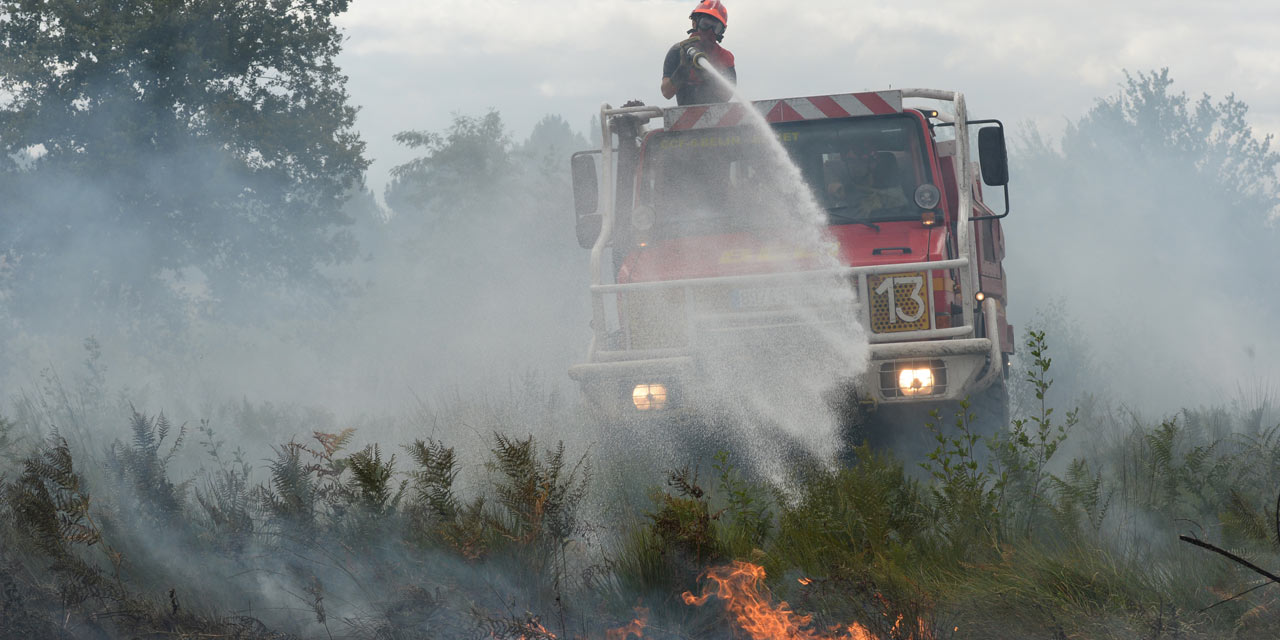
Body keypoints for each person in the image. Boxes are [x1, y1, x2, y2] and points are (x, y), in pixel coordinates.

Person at [661, 1, 736, 106]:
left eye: (715, 28)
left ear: (721, 31)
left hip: (717, 118)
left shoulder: (725, 57)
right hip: (685, 119)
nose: (709, 32)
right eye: (705, 24)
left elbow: (727, 94)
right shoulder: (677, 52)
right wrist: (682, 69)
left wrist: (708, 77)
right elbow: (666, 93)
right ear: (695, 23)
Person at [825, 147, 909, 218]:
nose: (854, 165)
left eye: (859, 160)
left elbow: (902, 205)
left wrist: (879, 201)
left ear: (872, 164)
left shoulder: (890, 187)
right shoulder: (845, 187)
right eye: (850, 161)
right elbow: (826, 209)